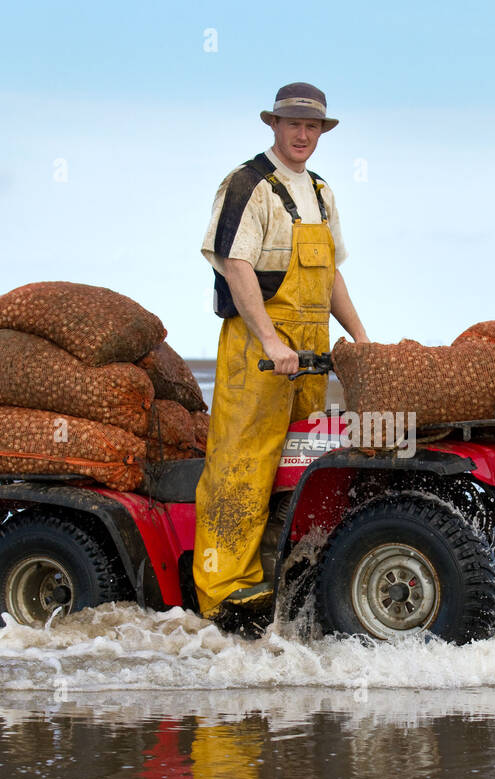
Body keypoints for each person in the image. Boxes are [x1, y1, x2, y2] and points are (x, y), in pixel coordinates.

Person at [194, 82, 370, 622]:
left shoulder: (320, 192)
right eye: (293, 124)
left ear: (321, 131)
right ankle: (223, 589)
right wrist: (271, 338)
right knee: (243, 461)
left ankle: (276, 579)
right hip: (259, 352)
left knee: (302, 465)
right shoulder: (248, 185)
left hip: (309, 356)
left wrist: (363, 341)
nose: (302, 134)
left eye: (312, 126)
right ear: (273, 125)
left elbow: (331, 273)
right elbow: (235, 263)